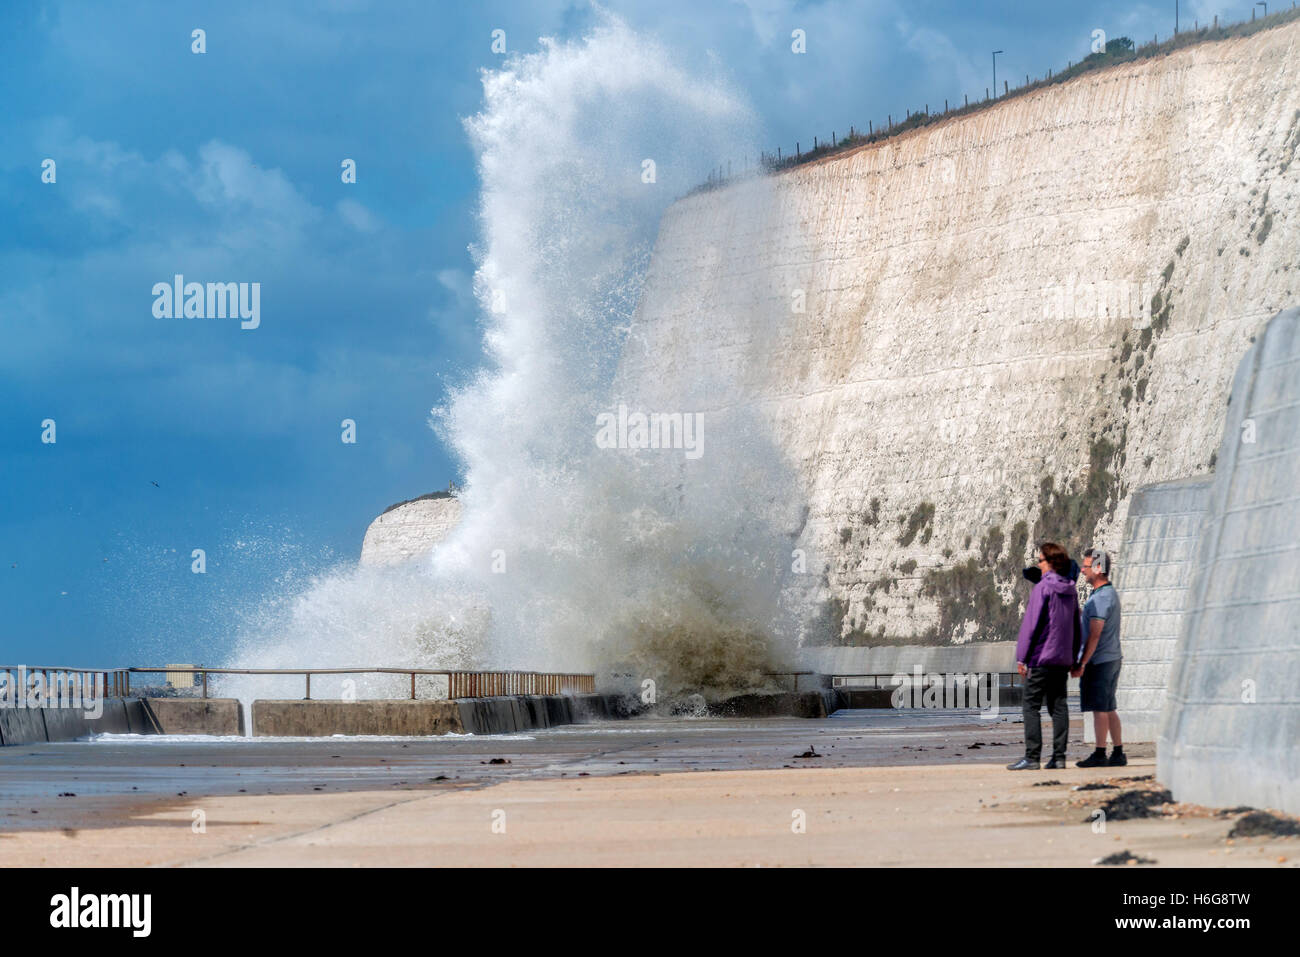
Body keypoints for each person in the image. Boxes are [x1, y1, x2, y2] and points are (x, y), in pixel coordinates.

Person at [1007, 542, 1084, 771]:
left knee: (1030, 705)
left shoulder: (1042, 588)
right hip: (1062, 660)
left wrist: (1022, 658)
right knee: (1059, 706)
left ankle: (1032, 758)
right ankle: (1059, 758)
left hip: (1041, 658)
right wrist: (1075, 658)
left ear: (1050, 563)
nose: (1038, 565)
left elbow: (1031, 626)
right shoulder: (1071, 589)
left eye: (1040, 560)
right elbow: (1076, 628)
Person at [1071, 547, 1125, 767]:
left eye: (1086, 567)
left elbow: (1095, 634)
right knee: (1109, 706)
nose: (1083, 571)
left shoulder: (1101, 598)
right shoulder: (1104, 594)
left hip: (1100, 660)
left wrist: (1082, 662)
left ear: (1099, 568)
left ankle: (1100, 753)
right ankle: (1118, 752)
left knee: (1100, 708)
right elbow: (1093, 623)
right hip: (1111, 657)